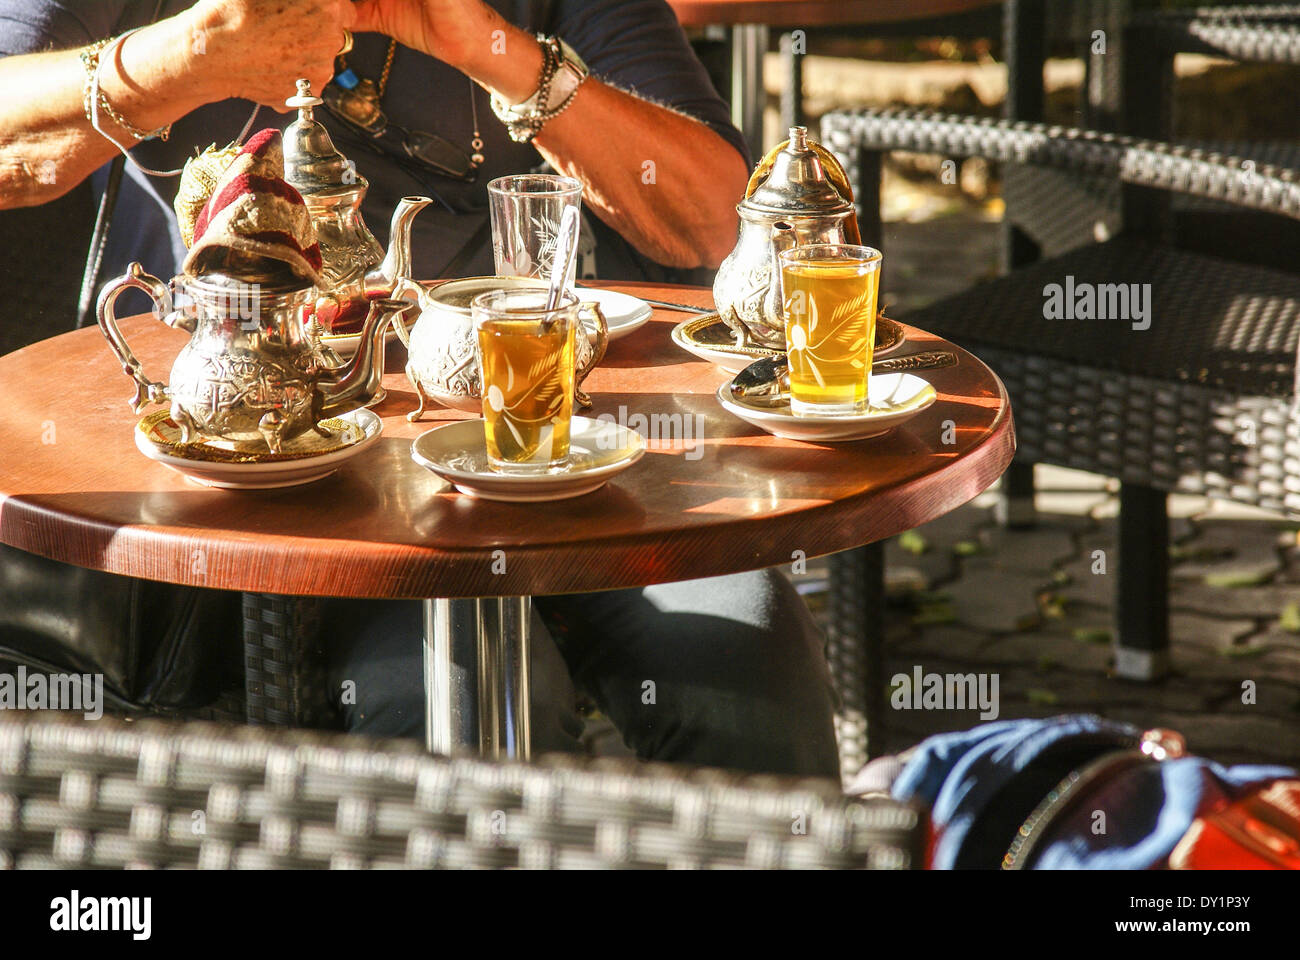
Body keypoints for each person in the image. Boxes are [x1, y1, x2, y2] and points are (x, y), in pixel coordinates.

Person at [0, 0, 841, 778]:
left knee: (755, 674)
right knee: (458, 711)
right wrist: (190, 55)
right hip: (292, 474)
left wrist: (486, 48)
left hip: (567, 443)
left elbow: (715, 218)